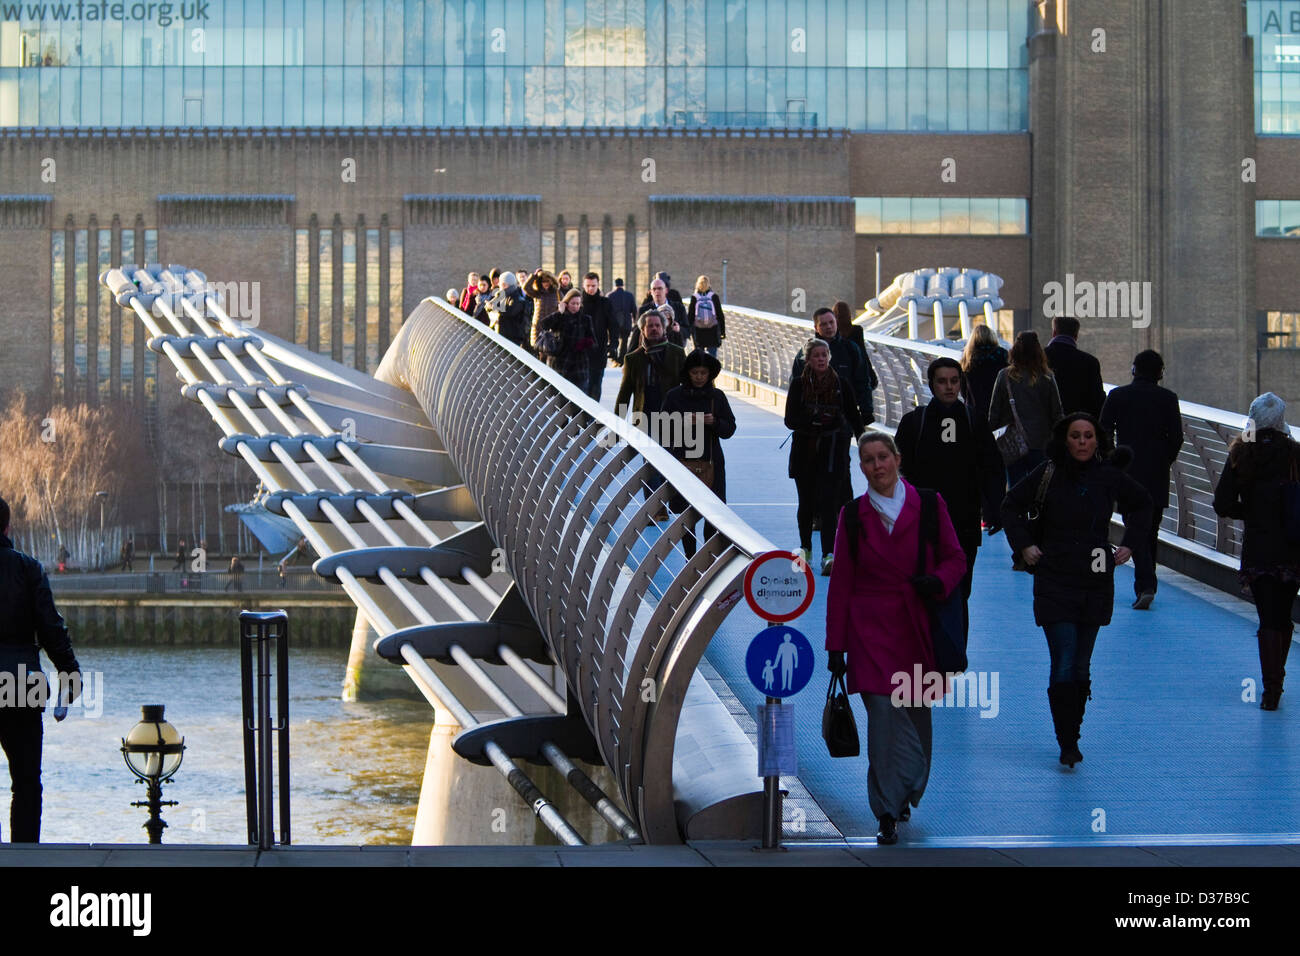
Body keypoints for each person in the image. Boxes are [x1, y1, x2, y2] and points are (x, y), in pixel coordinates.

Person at [826, 434, 967, 844]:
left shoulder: (928, 504)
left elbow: (956, 558)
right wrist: (837, 645)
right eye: (868, 460)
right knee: (884, 719)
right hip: (869, 630)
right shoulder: (852, 516)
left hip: (917, 626)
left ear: (897, 459)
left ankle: (903, 790)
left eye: (883, 457)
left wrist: (936, 582)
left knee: (916, 717)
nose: (877, 466)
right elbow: (842, 584)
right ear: (862, 467)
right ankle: (886, 809)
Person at [1001, 413, 1151, 767]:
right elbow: (1010, 505)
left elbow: (1143, 504)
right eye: (1075, 436)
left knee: (1082, 662)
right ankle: (1066, 739)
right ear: (1064, 440)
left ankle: (1073, 730)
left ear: (1097, 440)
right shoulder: (1048, 474)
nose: (1082, 442)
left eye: (1088, 436)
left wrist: (1130, 544)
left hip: (1095, 579)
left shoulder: (1109, 477)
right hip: (1054, 576)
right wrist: (1024, 546)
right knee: (1065, 657)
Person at [0, 496, 81, 843]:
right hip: (22, 683)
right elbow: (50, 627)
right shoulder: (28, 568)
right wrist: (69, 673)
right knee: (27, 781)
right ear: (7, 527)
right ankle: (24, 855)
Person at [1212, 392, 1300, 710]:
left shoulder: (1241, 453)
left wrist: (1248, 511)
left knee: (1266, 617)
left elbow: (1221, 504)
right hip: (1292, 548)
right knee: (1284, 615)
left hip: (1258, 548)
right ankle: (1279, 678)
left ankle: (1269, 689)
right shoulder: (1294, 453)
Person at [894, 357, 1005, 604]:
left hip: (964, 521)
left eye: (954, 381)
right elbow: (896, 471)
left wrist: (994, 510)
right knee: (922, 590)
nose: (949, 387)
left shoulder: (974, 421)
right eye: (942, 381)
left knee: (960, 591)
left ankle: (955, 642)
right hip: (922, 521)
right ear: (932, 385)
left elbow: (992, 468)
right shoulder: (914, 422)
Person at [1099, 350, 1183, 609]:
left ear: (1133, 369)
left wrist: (1114, 461)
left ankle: (1145, 584)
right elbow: (1176, 437)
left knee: (1135, 526)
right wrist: (1163, 460)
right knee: (1150, 528)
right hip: (1156, 473)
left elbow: (1103, 431)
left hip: (1127, 473)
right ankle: (1147, 584)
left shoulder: (1117, 396)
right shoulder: (1168, 399)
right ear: (1160, 373)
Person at [784, 337, 865, 575]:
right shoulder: (798, 385)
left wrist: (864, 442)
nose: (821, 359)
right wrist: (813, 421)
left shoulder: (842, 384)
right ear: (807, 359)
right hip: (805, 450)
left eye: (824, 354)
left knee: (830, 503)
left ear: (829, 357)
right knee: (806, 502)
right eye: (816, 355)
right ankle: (806, 548)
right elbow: (790, 419)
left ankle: (829, 554)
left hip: (833, 451)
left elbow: (854, 416)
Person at [661, 350, 737, 558]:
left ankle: (708, 557)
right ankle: (690, 558)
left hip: (712, 462)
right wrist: (684, 422)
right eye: (695, 372)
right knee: (686, 515)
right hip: (681, 462)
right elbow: (662, 431)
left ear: (710, 373)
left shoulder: (717, 397)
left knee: (713, 514)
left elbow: (730, 428)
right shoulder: (673, 396)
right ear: (688, 373)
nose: (699, 377)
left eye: (703, 373)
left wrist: (714, 422)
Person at [615, 310, 688, 521]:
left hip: (671, 418)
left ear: (664, 327)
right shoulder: (633, 358)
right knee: (650, 465)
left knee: (670, 462)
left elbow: (686, 384)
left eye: (657, 325)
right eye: (650, 326)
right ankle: (655, 508)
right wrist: (617, 423)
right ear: (643, 329)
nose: (654, 329)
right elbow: (625, 392)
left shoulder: (676, 353)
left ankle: (665, 503)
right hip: (644, 418)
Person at [988, 330, 1064, 488]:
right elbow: (1057, 413)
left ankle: (1019, 513)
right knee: (1040, 489)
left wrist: (990, 440)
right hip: (1042, 443)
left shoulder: (1004, 376)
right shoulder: (1047, 377)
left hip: (1013, 444)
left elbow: (994, 412)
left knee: (1016, 488)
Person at [791, 307, 874, 429]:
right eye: (823, 324)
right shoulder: (805, 352)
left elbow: (862, 380)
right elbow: (796, 382)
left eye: (831, 322)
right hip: (811, 417)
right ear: (816, 328)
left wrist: (866, 410)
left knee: (839, 446)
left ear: (836, 323)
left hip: (842, 417)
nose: (829, 327)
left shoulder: (850, 349)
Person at [1044, 316, 1106, 418]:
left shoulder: (1038, 358)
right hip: (1077, 425)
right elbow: (1097, 400)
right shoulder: (1090, 362)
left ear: (1054, 332)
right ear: (1076, 336)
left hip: (1045, 425)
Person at [535, 288, 597, 388]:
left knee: (579, 398)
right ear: (566, 303)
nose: (576, 306)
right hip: (559, 363)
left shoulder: (586, 319)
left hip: (579, 366)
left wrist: (586, 344)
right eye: (573, 303)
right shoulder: (559, 316)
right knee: (558, 399)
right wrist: (559, 312)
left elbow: (594, 342)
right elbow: (543, 325)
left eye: (578, 303)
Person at [960, 323, 1008, 429]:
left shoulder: (968, 358)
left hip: (975, 412)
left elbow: (963, 390)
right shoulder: (1002, 355)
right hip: (999, 411)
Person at [833, 299, 879, 408]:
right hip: (855, 376)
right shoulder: (857, 331)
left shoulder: (831, 333)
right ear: (849, 314)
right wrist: (871, 376)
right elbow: (863, 354)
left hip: (839, 377)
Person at [580, 272, 615, 402]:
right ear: (583, 285)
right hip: (581, 351)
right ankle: (582, 415)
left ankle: (592, 416)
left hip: (599, 349)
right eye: (588, 286)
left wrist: (613, 344)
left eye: (593, 286)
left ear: (598, 285)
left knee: (596, 384)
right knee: (582, 386)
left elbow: (613, 325)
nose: (590, 289)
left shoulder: (605, 303)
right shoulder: (579, 303)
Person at [630, 277, 685, 350]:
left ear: (666, 290)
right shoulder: (643, 310)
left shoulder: (678, 307)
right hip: (650, 348)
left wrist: (679, 330)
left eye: (660, 288)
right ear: (651, 292)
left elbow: (687, 327)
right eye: (654, 289)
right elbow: (636, 332)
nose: (657, 291)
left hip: (672, 347)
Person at [477, 271, 530, 347]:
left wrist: (493, 307)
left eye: (501, 284)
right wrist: (490, 305)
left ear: (506, 285)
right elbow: (489, 307)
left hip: (513, 337)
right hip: (503, 335)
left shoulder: (517, 298)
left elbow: (509, 311)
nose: (499, 286)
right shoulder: (503, 295)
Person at [687, 276, 726, 358]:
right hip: (713, 331)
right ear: (709, 284)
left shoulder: (695, 297)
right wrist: (722, 332)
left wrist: (689, 331)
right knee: (712, 355)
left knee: (699, 355)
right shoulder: (714, 296)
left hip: (698, 332)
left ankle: (701, 369)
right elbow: (720, 315)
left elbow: (690, 316)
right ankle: (712, 370)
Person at [523, 269, 560, 342]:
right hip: (538, 326)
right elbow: (526, 288)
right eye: (543, 281)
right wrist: (534, 276)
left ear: (551, 281)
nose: (546, 283)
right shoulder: (537, 293)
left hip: (552, 326)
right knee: (538, 349)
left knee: (551, 349)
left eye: (547, 281)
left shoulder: (557, 293)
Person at [608, 277, 637, 365]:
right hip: (626, 323)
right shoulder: (629, 295)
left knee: (614, 340)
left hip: (613, 323)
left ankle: (614, 357)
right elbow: (634, 310)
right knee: (624, 342)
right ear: (622, 285)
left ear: (614, 285)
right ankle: (621, 360)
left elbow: (606, 311)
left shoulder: (610, 296)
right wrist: (634, 321)